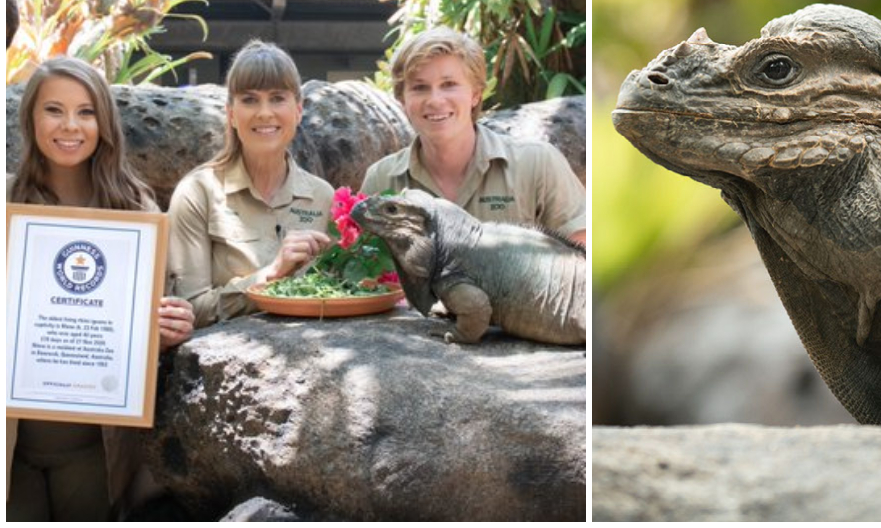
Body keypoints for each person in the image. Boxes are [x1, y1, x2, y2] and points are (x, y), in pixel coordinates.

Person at [6, 57, 196, 520]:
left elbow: (148, 321)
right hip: (11, 448)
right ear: (31, 118)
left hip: (98, 448)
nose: (70, 126)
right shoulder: (7, 203)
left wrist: (167, 328)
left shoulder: (135, 210)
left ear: (105, 122)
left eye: (86, 112)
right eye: (54, 110)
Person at [360, 28, 586, 246]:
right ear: (402, 100)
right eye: (420, 87)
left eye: (449, 85)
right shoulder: (381, 179)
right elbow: (363, 264)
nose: (435, 100)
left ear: (476, 94)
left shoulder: (537, 163)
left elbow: (583, 252)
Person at [168, 40, 334, 328]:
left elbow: (338, 294)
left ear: (298, 110)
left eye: (277, 98)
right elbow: (188, 310)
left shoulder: (324, 197)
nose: (264, 113)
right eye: (249, 99)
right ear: (231, 113)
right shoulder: (198, 193)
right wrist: (271, 275)